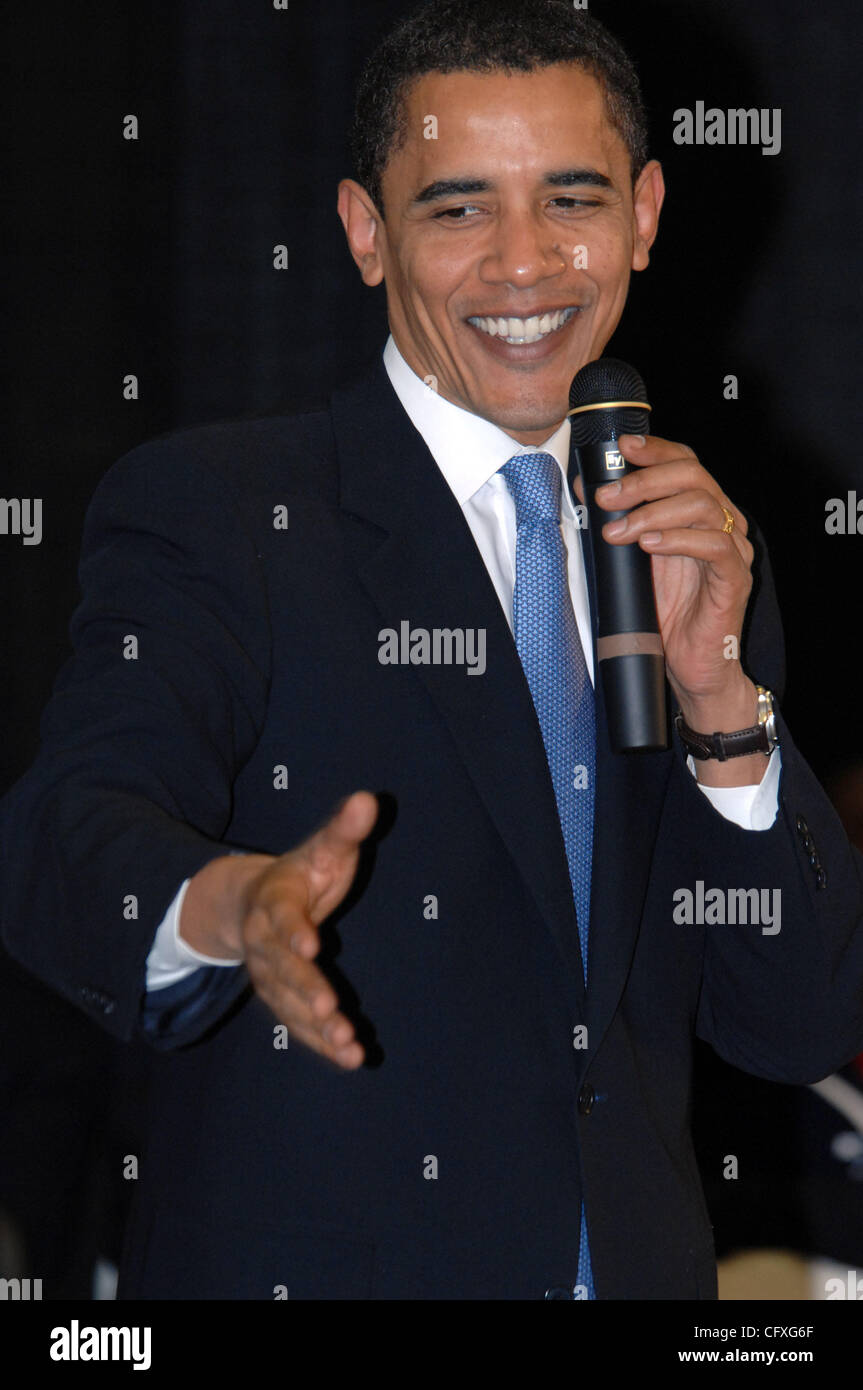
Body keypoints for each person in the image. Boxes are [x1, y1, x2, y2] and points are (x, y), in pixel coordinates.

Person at [1, 0, 862, 1300]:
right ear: (363, 232)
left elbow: (793, 1019)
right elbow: (67, 832)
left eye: (569, 198)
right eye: (459, 209)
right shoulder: (228, 511)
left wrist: (724, 709)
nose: (526, 265)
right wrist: (232, 905)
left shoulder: (693, 539)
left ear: (644, 213)